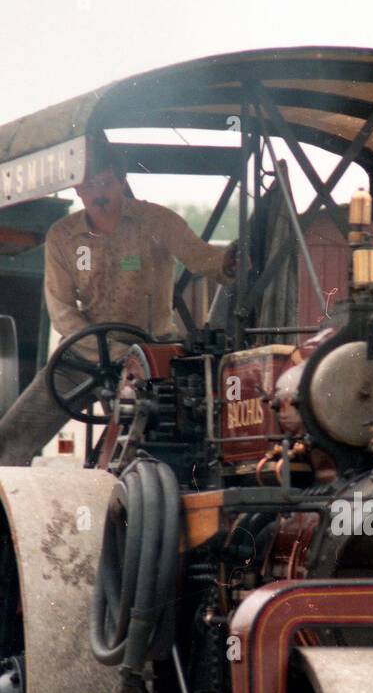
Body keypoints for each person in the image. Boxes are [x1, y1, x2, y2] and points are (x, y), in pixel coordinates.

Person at [0, 138, 237, 465]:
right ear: (77, 190)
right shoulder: (63, 238)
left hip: (153, 350)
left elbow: (201, 258)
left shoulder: (157, 222)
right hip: (84, 354)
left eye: (106, 183)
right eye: (88, 186)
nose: (98, 194)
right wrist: (108, 353)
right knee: (11, 438)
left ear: (122, 180)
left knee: (180, 432)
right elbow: (63, 313)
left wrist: (229, 261)